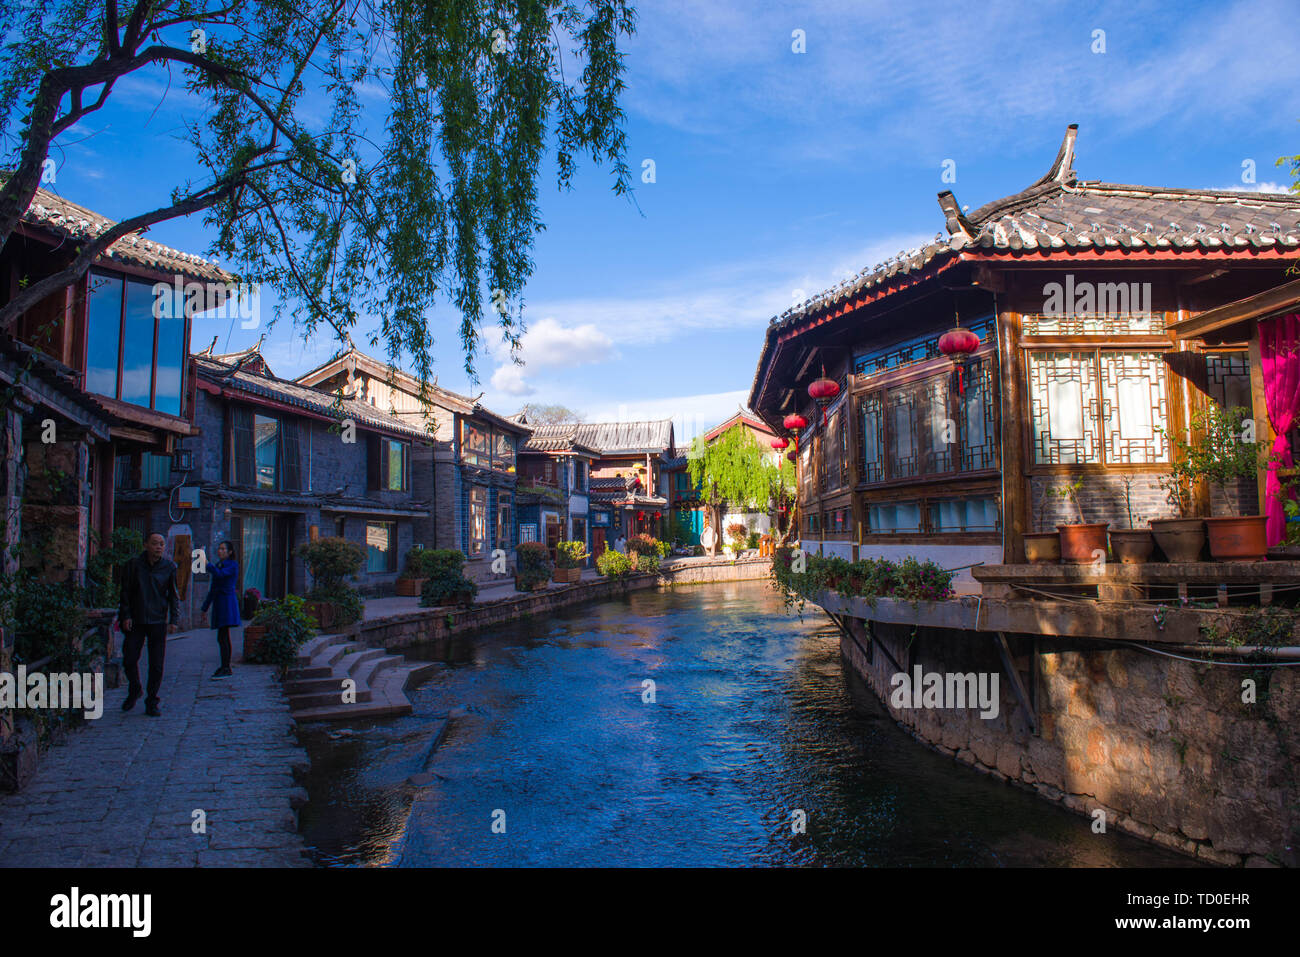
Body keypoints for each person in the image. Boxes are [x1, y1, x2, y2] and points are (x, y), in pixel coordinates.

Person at [118, 532, 180, 717]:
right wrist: (125, 615)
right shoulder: (134, 565)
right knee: (129, 658)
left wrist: (174, 620)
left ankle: (152, 700)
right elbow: (125, 592)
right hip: (136, 619)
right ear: (146, 545)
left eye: (161, 544)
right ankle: (135, 688)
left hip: (157, 620)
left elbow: (173, 595)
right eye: (155, 543)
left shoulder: (169, 567)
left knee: (157, 664)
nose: (158, 547)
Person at [199, 541, 240, 680]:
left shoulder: (232, 565)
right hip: (219, 602)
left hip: (227, 602)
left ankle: (226, 666)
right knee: (221, 636)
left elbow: (220, 575)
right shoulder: (218, 565)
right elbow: (213, 588)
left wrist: (207, 563)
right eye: (219, 548)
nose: (220, 551)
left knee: (224, 635)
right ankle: (224, 665)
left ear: (229, 552)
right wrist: (205, 607)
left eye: (223, 549)